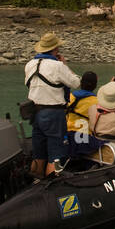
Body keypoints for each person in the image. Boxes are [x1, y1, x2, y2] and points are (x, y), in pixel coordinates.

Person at [24, 33, 82, 178]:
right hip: (54, 113)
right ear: (55, 49)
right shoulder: (57, 66)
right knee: (56, 155)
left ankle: (34, 182)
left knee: (38, 153)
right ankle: (52, 184)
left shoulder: (30, 64)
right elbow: (76, 83)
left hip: (35, 113)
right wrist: (64, 65)